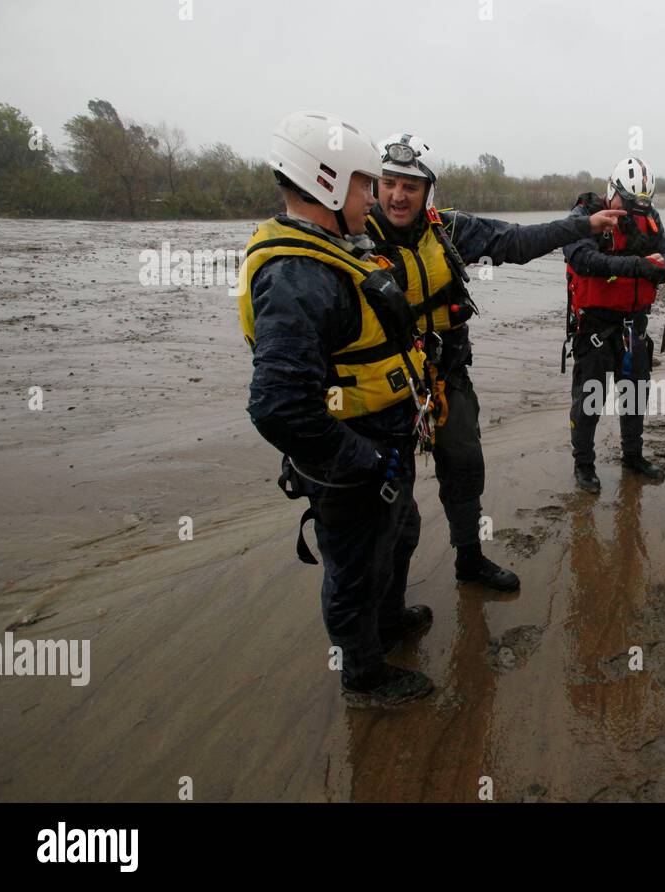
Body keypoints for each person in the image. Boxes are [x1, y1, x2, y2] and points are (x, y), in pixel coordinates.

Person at [238, 111, 439, 709]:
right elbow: (276, 405)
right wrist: (363, 458)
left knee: (399, 535)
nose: (375, 195)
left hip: (383, 438)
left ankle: (391, 618)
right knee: (355, 566)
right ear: (326, 183)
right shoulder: (299, 275)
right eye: (363, 183)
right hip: (352, 454)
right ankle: (364, 675)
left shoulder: (337, 249)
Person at [365, 133, 623, 590]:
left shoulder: (450, 230)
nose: (397, 195)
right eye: (388, 183)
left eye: (409, 185)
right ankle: (387, 612)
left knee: (465, 469)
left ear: (427, 191)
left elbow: (520, 241)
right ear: (375, 185)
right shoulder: (354, 238)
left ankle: (470, 560)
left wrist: (585, 226)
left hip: (445, 378)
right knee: (388, 499)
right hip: (382, 392)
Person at [562, 157, 665, 493]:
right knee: (589, 400)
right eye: (627, 203)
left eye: (640, 205)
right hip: (594, 325)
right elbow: (581, 258)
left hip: (633, 323)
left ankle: (633, 457)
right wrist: (639, 265)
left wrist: (655, 265)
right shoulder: (583, 215)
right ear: (611, 190)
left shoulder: (649, 217)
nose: (633, 212)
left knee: (635, 396)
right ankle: (584, 465)